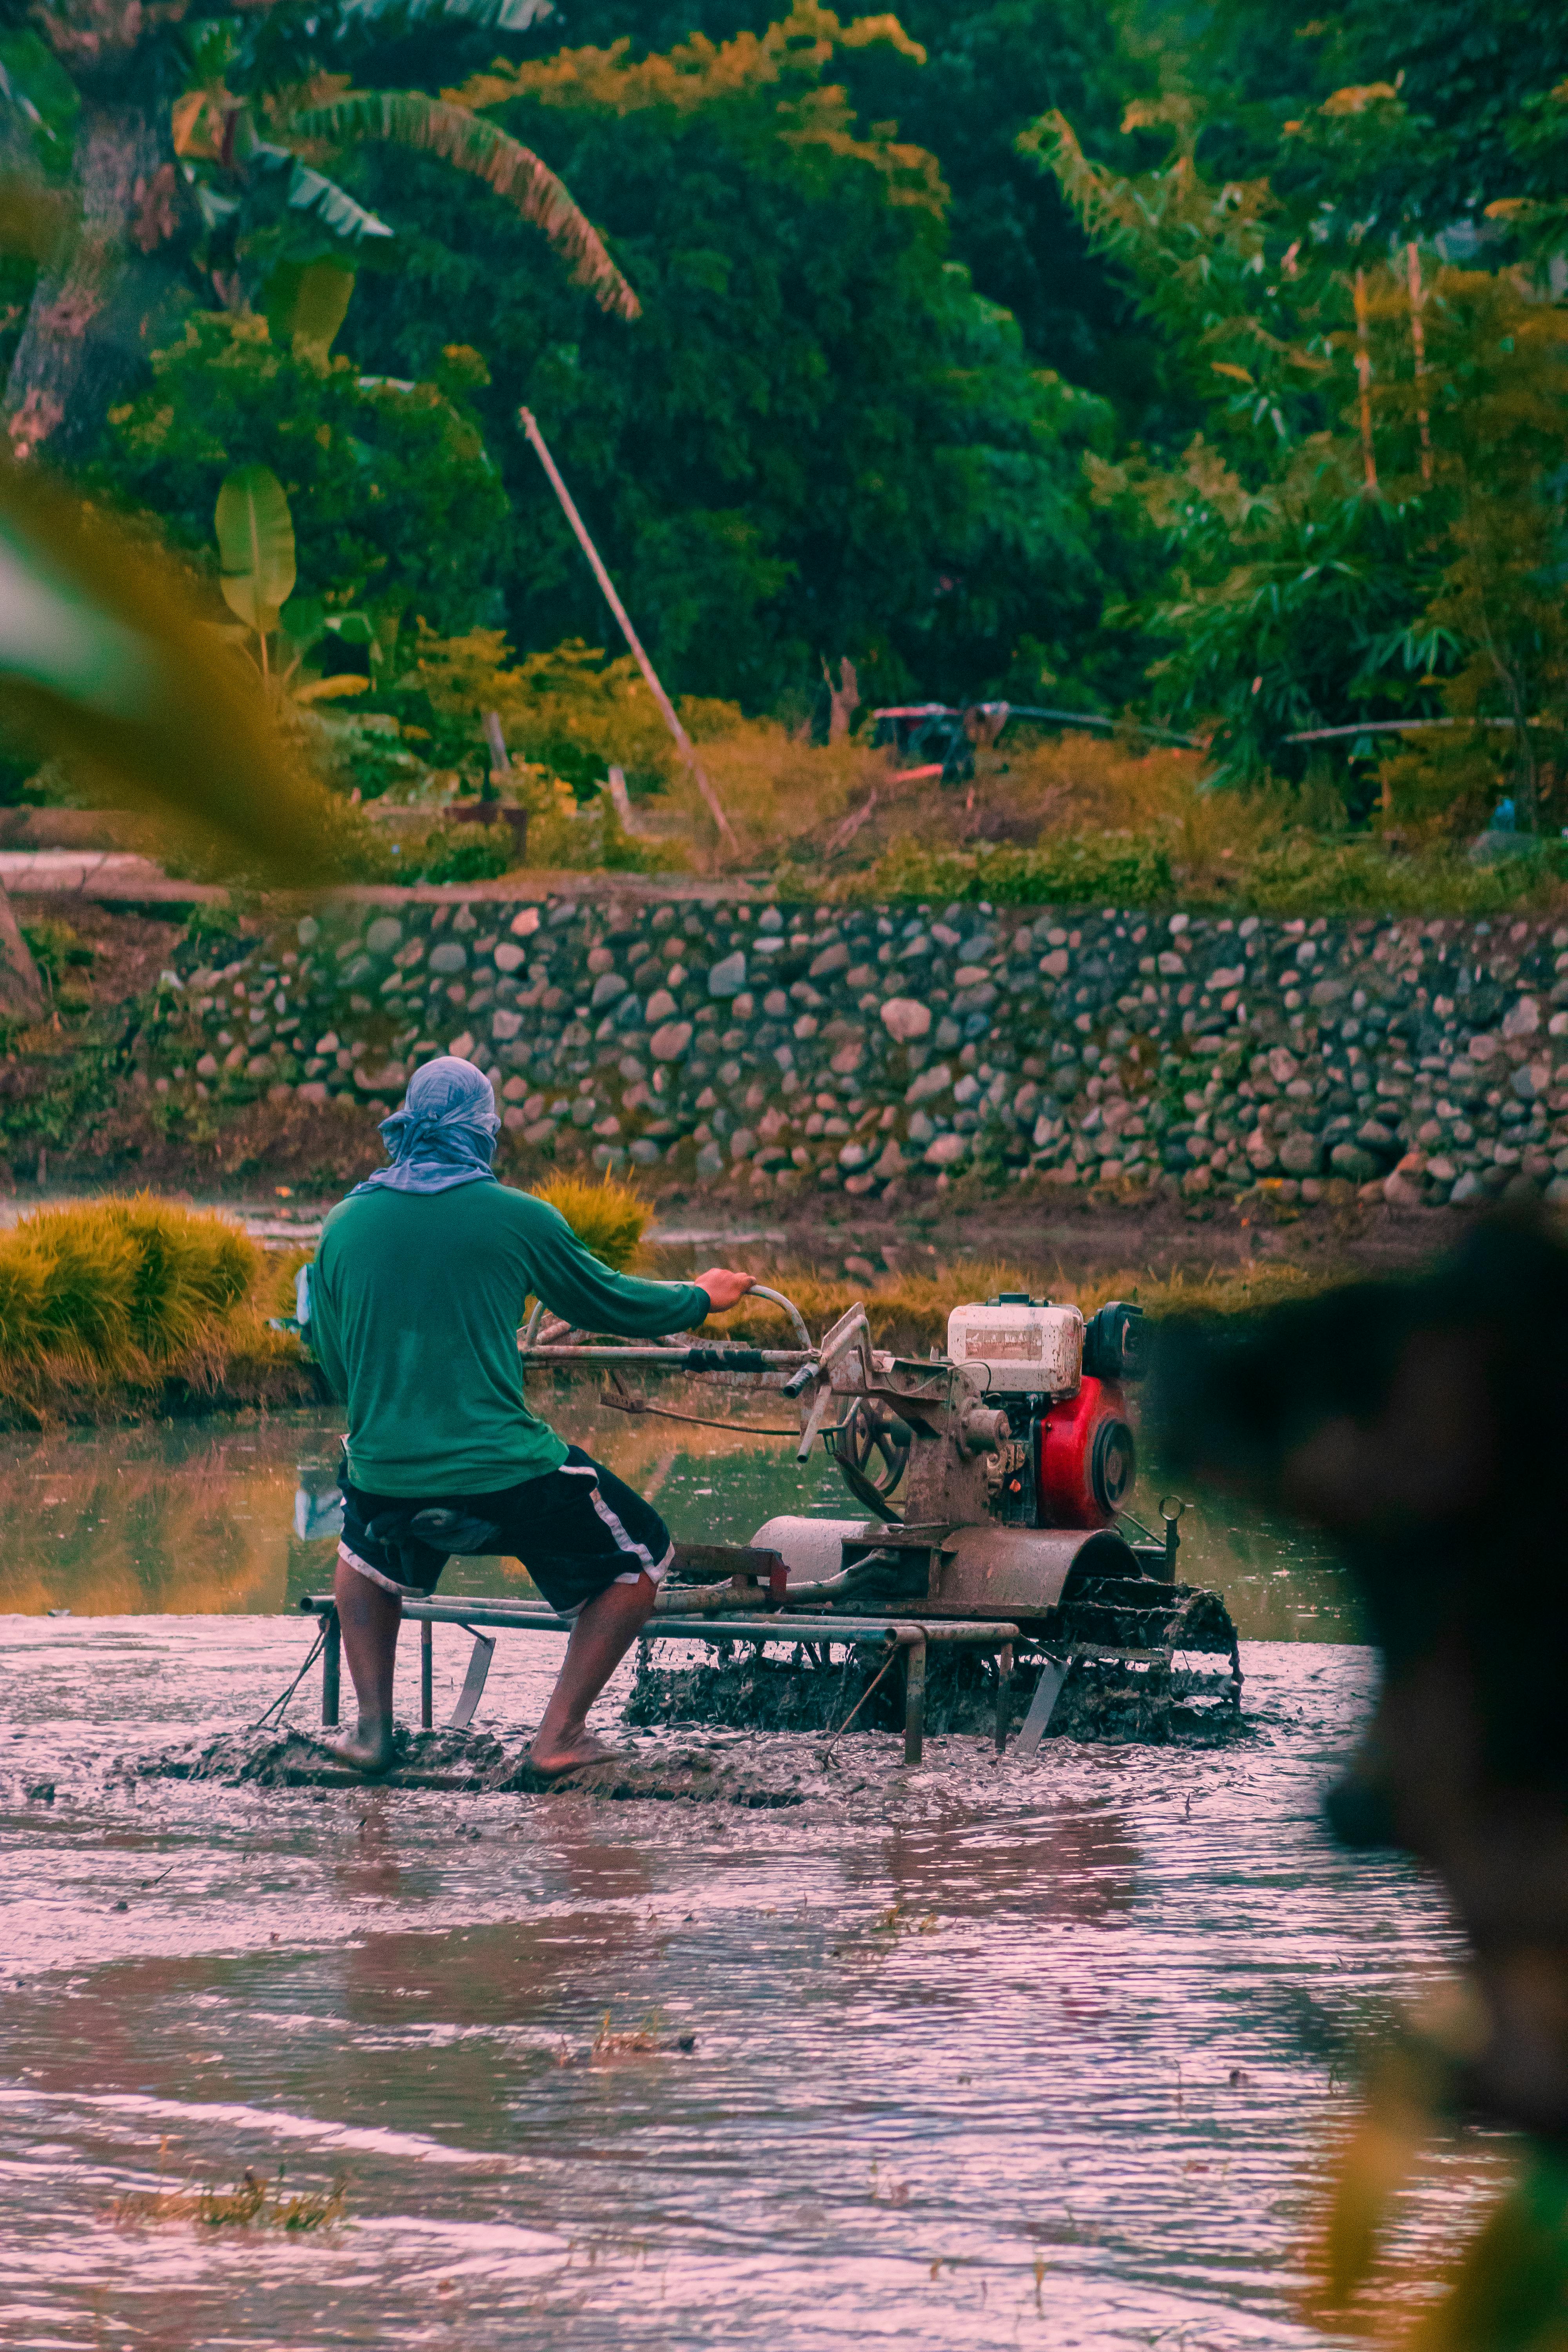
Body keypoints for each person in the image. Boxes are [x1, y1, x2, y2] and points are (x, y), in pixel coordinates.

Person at [308, 1055, 753, 1777]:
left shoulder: (343, 1224)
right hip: (503, 1476)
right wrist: (700, 1296)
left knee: (363, 1555)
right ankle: (559, 1737)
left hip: (385, 1473)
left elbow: (331, 1355)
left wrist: (377, 1436)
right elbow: (608, 1302)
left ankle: (370, 1733)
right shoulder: (515, 1217)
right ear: (482, 1132)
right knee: (643, 1553)